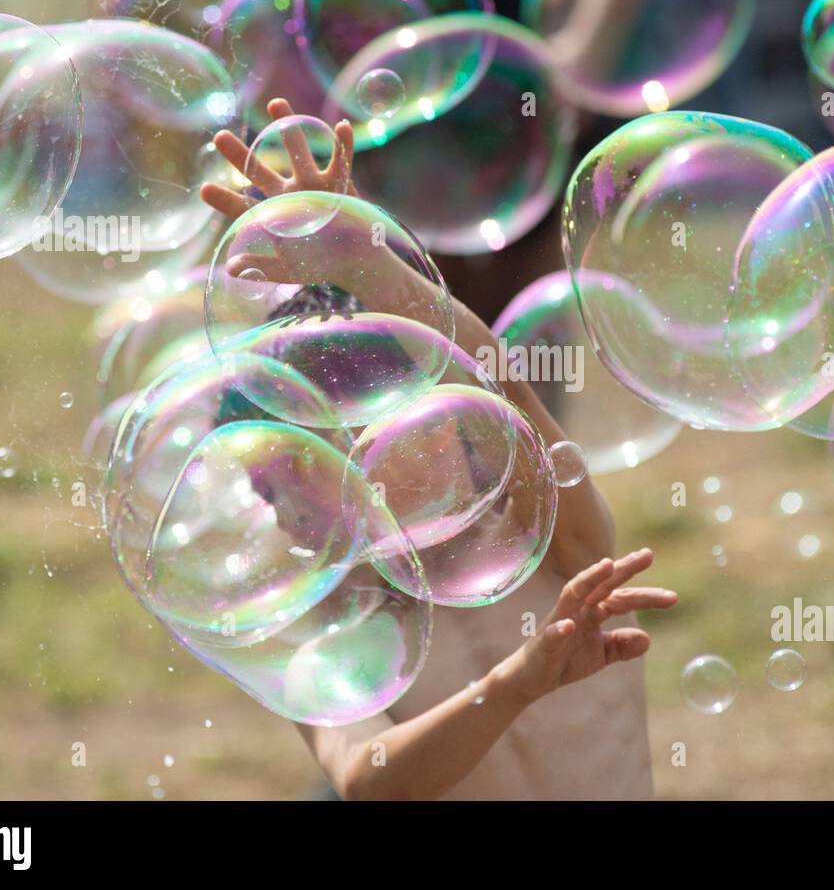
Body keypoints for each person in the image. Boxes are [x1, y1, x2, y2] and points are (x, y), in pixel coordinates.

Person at [200, 99, 678, 800]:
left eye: (290, 473)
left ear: (431, 425)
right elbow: (366, 779)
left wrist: (371, 268)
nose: (274, 512)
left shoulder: (552, 543)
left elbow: (491, 374)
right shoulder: (327, 627)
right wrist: (513, 686)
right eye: (262, 492)